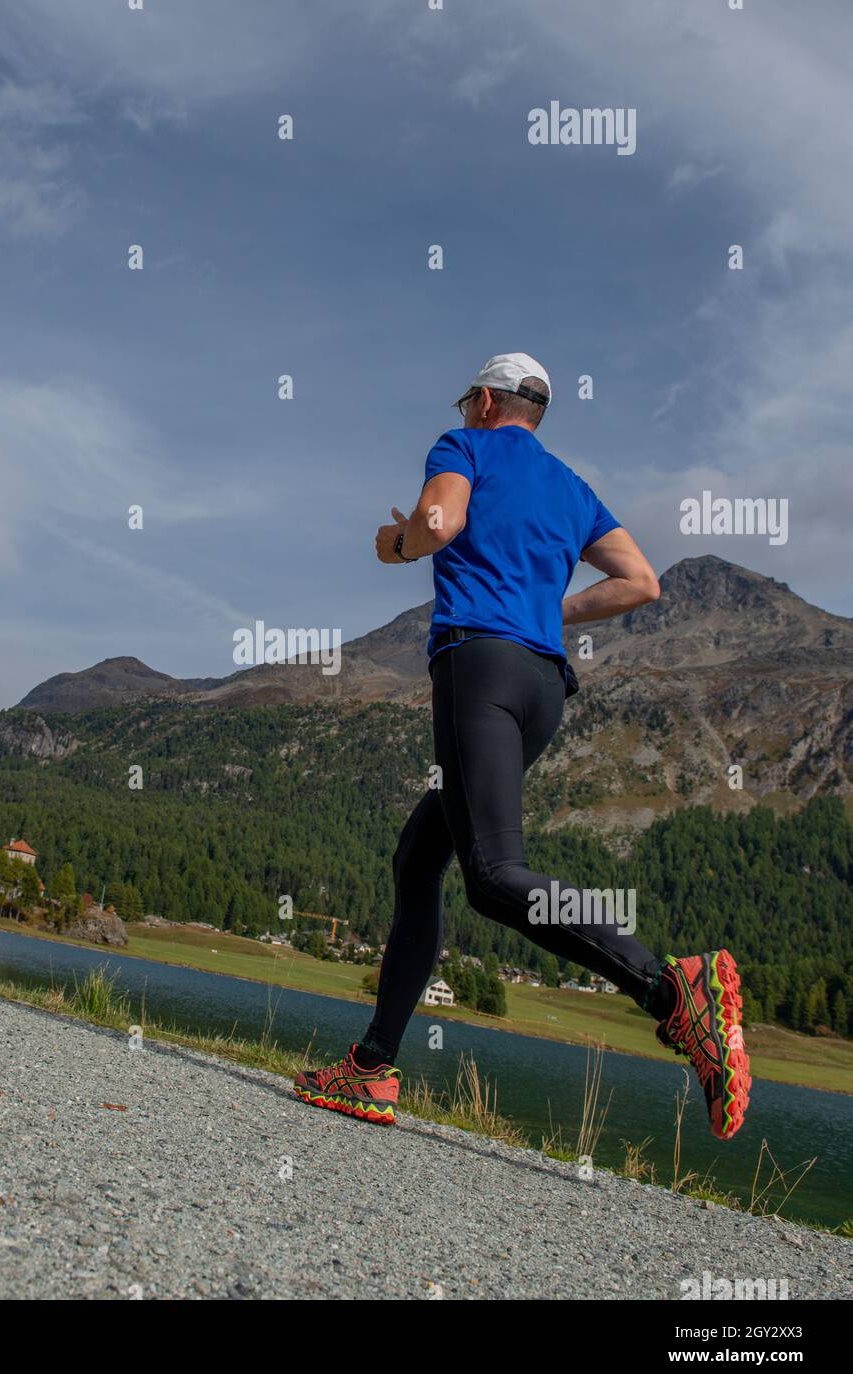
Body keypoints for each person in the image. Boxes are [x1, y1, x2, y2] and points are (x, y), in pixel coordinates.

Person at [294, 353, 751, 1140]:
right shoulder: (572, 487)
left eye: (468, 399)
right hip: (542, 688)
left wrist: (395, 543)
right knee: (418, 859)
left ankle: (672, 988)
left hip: (479, 670)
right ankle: (371, 1069)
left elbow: (438, 525)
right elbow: (642, 582)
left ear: (482, 401)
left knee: (493, 877)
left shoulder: (460, 446)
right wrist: (547, 610)